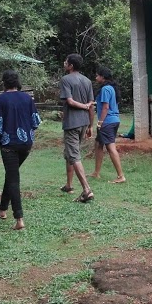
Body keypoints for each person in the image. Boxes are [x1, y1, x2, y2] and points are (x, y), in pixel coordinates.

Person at [0, 70, 41, 230]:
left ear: (4, 83)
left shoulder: (0, 100)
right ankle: (2, 209)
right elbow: (36, 121)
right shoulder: (27, 98)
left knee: (13, 178)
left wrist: (1, 135)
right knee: (11, 174)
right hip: (26, 144)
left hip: (8, 145)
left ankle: (19, 218)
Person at [59, 53, 95, 202]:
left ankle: (86, 190)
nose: (64, 62)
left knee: (73, 155)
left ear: (71, 66)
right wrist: (90, 125)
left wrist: (84, 106)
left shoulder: (65, 80)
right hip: (83, 122)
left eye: (66, 61)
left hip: (72, 123)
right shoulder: (87, 81)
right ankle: (69, 184)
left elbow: (70, 101)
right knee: (70, 153)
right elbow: (91, 105)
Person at [90, 66, 126, 183]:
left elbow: (106, 106)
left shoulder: (105, 89)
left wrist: (100, 122)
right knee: (98, 144)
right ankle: (96, 172)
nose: (96, 77)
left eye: (97, 75)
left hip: (107, 121)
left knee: (110, 147)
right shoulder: (111, 88)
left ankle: (121, 176)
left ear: (103, 77)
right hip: (114, 120)